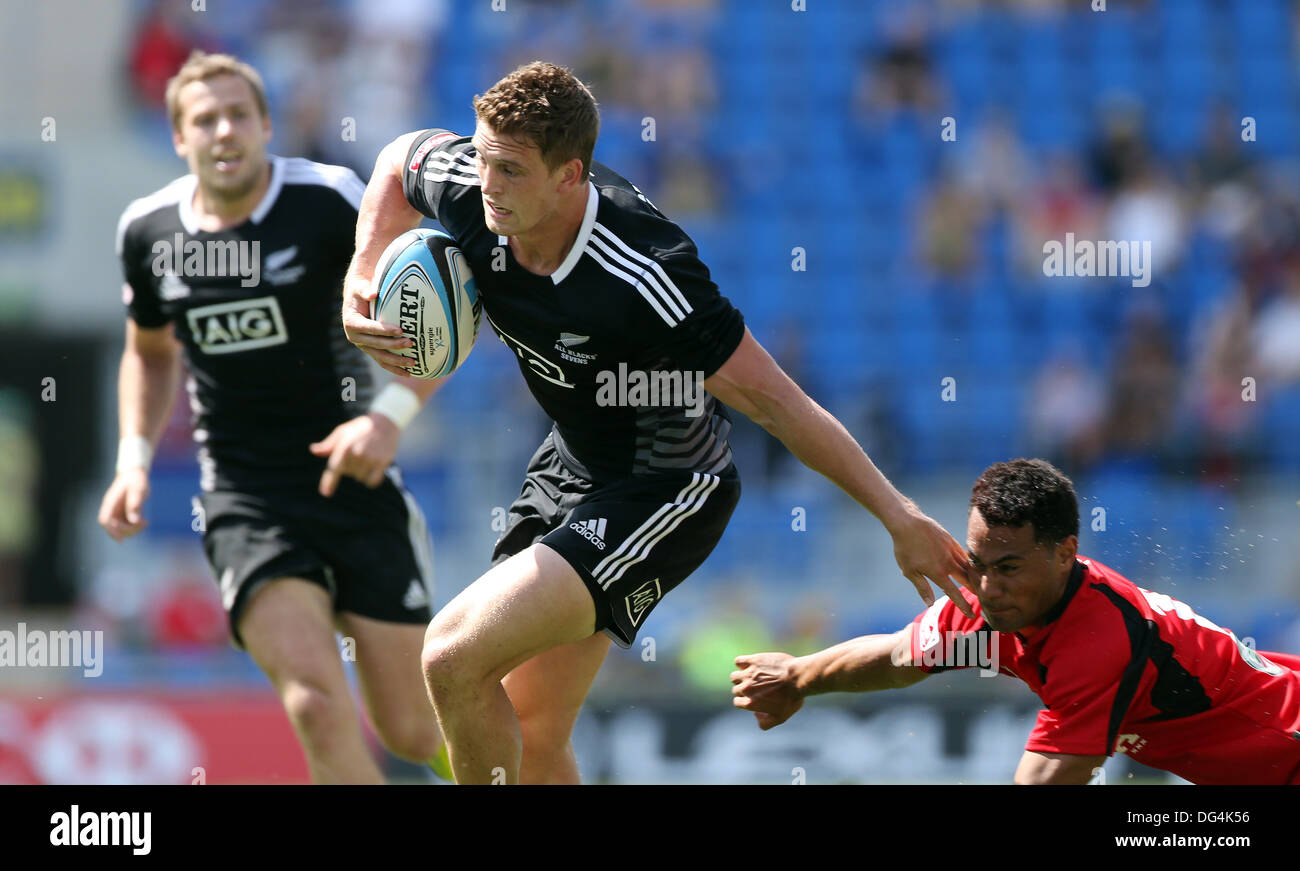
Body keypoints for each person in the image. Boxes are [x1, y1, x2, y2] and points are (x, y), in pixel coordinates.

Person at [342, 61, 974, 785]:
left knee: (451, 655)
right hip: (572, 464)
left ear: (569, 174)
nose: (487, 183)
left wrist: (899, 515)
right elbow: (396, 161)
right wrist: (361, 277)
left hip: (668, 484)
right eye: (484, 159)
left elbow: (779, 403)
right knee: (532, 731)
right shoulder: (472, 190)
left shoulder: (649, 271)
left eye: (511, 170)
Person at [100, 51, 448, 784]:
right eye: (204, 119)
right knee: (317, 704)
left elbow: (438, 310)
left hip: (352, 478)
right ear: (178, 138)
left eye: (237, 115)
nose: (223, 131)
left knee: (415, 731)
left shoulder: (329, 202)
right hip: (245, 496)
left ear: (264, 125)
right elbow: (151, 352)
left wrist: (386, 418)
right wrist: (132, 457)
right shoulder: (148, 232)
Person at [731, 458, 1300, 785]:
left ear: (1064, 551)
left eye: (1006, 568)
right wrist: (799, 674)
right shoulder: (993, 604)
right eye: (978, 565)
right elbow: (901, 658)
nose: (985, 587)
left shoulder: (1098, 639)